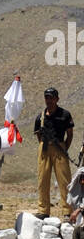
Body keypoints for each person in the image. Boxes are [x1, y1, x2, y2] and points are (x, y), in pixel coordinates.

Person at [34, 87, 75, 219]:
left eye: (51, 97)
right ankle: (43, 211)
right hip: (44, 148)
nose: (49, 100)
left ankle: (67, 211)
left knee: (64, 180)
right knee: (43, 179)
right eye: (47, 97)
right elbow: (38, 136)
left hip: (60, 148)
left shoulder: (65, 114)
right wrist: (43, 145)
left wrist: (64, 147)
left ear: (57, 99)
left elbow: (70, 134)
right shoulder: (39, 116)